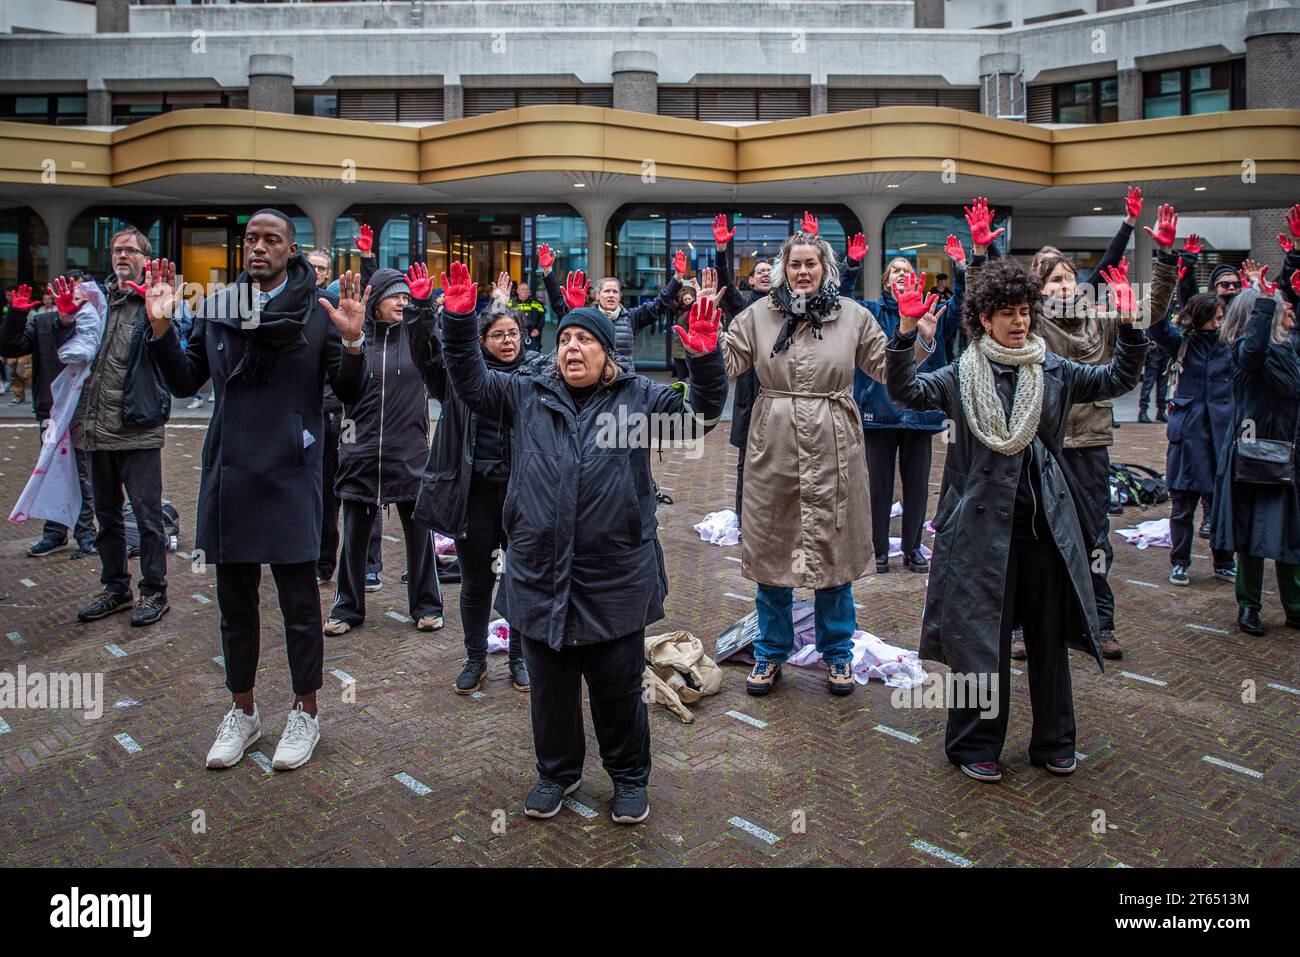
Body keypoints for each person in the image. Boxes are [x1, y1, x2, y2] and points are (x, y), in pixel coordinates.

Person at [439, 259, 726, 825]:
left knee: (618, 691)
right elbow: (469, 381)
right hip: (538, 571)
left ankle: (628, 779)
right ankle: (557, 775)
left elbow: (701, 416)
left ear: (607, 354)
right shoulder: (525, 394)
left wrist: (705, 359)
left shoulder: (639, 399)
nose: (572, 347)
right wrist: (455, 320)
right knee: (550, 690)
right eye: (564, 337)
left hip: (614, 575)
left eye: (585, 339)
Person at [886, 256, 1149, 783]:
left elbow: (1117, 378)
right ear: (984, 319)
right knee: (982, 639)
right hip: (981, 532)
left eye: (1025, 311)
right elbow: (906, 393)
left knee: (1049, 643)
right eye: (1006, 313)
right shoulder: (960, 376)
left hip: (1045, 528)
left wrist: (1131, 326)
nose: (1020, 322)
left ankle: (1054, 741)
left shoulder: (1054, 369)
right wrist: (907, 332)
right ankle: (975, 744)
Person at [143, 209, 366, 771]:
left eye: (273, 240)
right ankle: (242, 711)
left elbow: (349, 390)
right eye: (252, 239)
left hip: (292, 469)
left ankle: (306, 712)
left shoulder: (318, 313)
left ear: (290, 250)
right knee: (234, 603)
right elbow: (184, 378)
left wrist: (356, 340)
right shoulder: (219, 308)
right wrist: (162, 325)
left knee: (298, 603)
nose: (260, 247)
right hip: (232, 469)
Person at [723, 227, 933, 698]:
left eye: (810, 264)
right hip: (773, 442)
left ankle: (837, 654)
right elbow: (726, 362)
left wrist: (909, 336)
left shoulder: (853, 315)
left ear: (825, 269)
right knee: (773, 554)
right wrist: (700, 349)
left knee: (833, 553)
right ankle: (770, 652)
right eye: (794, 264)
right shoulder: (757, 315)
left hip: (834, 439)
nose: (802, 272)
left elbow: (886, 368)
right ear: (783, 268)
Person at [1006, 198, 1178, 661]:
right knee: (1031, 533)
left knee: (1093, 537)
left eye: (1067, 277)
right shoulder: (1032, 322)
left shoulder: (1100, 315)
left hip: (1090, 444)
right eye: (1052, 279)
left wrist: (1165, 258)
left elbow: (1152, 310)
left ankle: (1100, 624)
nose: (1064, 285)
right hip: (1039, 445)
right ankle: (1023, 627)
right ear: (1037, 290)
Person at [408, 279, 534, 694]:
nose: (507, 341)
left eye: (513, 333)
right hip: (475, 494)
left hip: (522, 496)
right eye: (498, 335)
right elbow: (427, 354)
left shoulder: (535, 379)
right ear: (481, 341)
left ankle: (519, 658)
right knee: (477, 581)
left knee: (520, 580)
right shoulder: (458, 379)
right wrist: (423, 309)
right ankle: (476, 657)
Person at [323, 262, 444, 638]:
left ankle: (426, 606)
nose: (401, 301)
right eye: (395, 294)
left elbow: (439, 371)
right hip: (360, 455)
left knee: (420, 535)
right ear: (374, 300)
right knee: (354, 538)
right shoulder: (356, 338)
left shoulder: (416, 338)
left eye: (406, 296)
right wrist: (352, 344)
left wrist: (423, 310)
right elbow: (344, 389)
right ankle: (348, 608)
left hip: (408, 454)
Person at [68, 227, 173, 627]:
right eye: (117, 250)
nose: (122, 255)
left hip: (138, 428)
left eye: (131, 250)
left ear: (146, 259)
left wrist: (160, 315)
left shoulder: (154, 301)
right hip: (96, 428)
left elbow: (173, 356)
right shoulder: (95, 302)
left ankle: (154, 591)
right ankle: (115, 588)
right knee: (106, 517)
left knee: (147, 518)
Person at [857, 254, 963, 574]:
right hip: (879, 412)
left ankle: (913, 547)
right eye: (896, 271)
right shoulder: (872, 311)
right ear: (886, 280)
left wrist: (960, 270)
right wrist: (850, 266)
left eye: (907, 271)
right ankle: (878, 549)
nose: (902, 275)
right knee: (878, 487)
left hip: (919, 413)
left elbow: (959, 308)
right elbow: (842, 303)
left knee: (917, 486)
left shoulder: (930, 313)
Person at [1210, 280, 1300, 636]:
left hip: (1289, 452)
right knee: (1251, 534)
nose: (1288, 310)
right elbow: (1253, 350)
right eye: (1282, 307)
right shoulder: (1245, 353)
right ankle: (1249, 606)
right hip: (1255, 455)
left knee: (1292, 534)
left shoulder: (1288, 348)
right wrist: (1265, 302)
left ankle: (1294, 607)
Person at [1146, 292, 1236, 586]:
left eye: (1221, 318)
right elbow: (1157, 327)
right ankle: (1180, 562)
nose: (1218, 323)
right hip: (1188, 437)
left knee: (1221, 505)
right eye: (1213, 318)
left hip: (1220, 438)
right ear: (1200, 318)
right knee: (1183, 505)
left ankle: (1224, 560)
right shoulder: (1183, 343)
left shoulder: (1230, 345)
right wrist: (1165, 286)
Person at [1, 283, 97, 557]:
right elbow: (10, 346)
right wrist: (15, 316)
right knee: (51, 469)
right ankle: (55, 533)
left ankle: (85, 533)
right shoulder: (43, 322)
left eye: (81, 296)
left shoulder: (94, 324)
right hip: (49, 410)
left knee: (82, 472)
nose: (74, 301)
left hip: (82, 409)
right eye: (70, 295)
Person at [539, 242, 686, 373]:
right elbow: (560, 305)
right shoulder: (588, 317)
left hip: (624, 383)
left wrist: (678, 277)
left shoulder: (631, 317)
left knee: (624, 406)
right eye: (606, 291)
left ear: (620, 296)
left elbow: (659, 304)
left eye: (615, 291)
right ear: (597, 296)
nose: (611, 295)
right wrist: (548, 272)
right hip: (596, 381)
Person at [714, 213, 773, 525]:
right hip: (750, 396)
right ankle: (742, 514)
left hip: (779, 397)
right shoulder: (743, 306)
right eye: (759, 272)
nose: (765, 275)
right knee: (746, 460)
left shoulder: (787, 308)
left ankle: (770, 514)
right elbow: (724, 284)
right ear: (751, 280)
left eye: (769, 271)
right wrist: (722, 252)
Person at [308, 248, 343, 585]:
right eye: (312, 266)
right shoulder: (290, 305)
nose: (316, 271)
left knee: (327, 492)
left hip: (329, 414)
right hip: (294, 413)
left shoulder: (334, 306)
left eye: (322, 267)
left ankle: (322, 563)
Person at [511, 281, 546, 354]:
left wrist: (538, 329)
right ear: (518, 291)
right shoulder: (511, 304)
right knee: (516, 355)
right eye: (523, 289)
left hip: (532, 335)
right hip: (516, 335)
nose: (525, 291)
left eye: (527, 289)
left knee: (532, 356)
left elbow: (542, 318)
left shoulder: (536, 303)